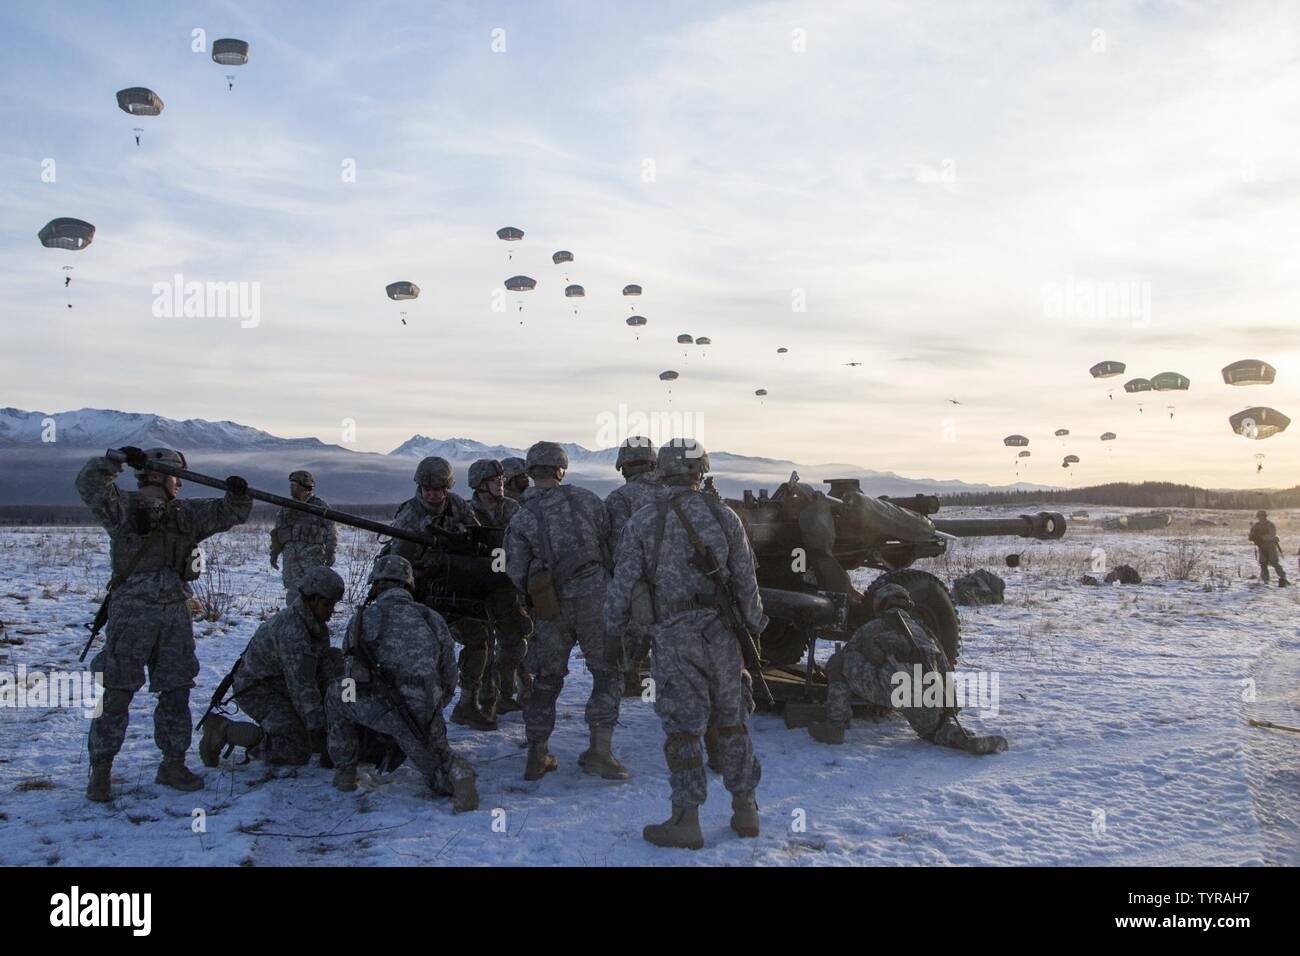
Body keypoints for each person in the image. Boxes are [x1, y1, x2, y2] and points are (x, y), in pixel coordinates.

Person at [605, 438, 764, 849]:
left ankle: (686, 819)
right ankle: (745, 809)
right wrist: (754, 626)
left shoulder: (643, 520)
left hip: (674, 636)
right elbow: (746, 580)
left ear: (663, 470)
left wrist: (613, 627)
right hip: (722, 634)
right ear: (701, 471)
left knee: (684, 729)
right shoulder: (726, 516)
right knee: (732, 721)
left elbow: (623, 582)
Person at [76, 446, 252, 801]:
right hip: (132, 611)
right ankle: (101, 770)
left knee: (176, 689)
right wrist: (114, 460)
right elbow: (88, 482)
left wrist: (237, 491)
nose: (180, 485)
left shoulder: (186, 514)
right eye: (177, 478)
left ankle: (172, 763)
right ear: (158, 475)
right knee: (117, 691)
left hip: (174, 610)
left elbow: (230, 512)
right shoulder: (121, 506)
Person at [504, 441, 625, 781]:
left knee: (546, 680)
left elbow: (515, 569)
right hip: (596, 598)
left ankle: (537, 753)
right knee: (607, 673)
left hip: (550, 604)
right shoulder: (588, 500)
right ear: (561, 469)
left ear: (530, 472)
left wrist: (536, 590)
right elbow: (612, 545)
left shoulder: (522, 515)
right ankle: (601, 752)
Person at [325, 555, 478, 811]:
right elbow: (450, 676)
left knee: (336, 693)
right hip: (427, 708)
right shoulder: (432, 618)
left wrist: (381, 716)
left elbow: (354, 677)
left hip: (387, 711)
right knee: (437, 761)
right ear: (409, 586)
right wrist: (432, 707)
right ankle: (458, 773)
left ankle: (345, 772)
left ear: (376, 586)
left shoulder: (363, 619)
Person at [807, 584, 1008, 754]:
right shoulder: (924, 631)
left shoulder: (872, 628)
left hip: (892, 690)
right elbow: (945, 666)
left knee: (840, 661)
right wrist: (949, 707)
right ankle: (962, 740)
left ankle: (836, 725)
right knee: (934, 729)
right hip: (928, 692)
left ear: (880, 605)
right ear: (908, 604)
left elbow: (846, 658)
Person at [382, 456, 494, 729]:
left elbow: (477, 540)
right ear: (419, 488)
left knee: (479, 640)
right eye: (427, 489)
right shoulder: (408, 516)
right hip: (422, 593)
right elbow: (398, 564)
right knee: (423, 654)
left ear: (447, 487)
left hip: (456, 586)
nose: (432, 494)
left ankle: (468, 703)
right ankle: (419, 713)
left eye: (438, 489)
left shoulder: (458, 505)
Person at [199, 566, 346, 767]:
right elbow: (303, 688)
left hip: (281, 682)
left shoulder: (313, 623)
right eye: (328, 604)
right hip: (258, 690)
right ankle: (225, 731)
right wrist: (321, 730)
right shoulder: (294, 633)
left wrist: (344, 712)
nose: (331, 611)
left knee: (335, 658)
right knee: (296, 748)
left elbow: (318, 670)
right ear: (312, 599)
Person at [465, 458, 532, 719]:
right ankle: (483, 701)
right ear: (480, 485)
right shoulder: (466, 511)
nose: (501, 485)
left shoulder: (513, 508)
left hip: (508, 586)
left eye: (502, 480)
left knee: (515, 641)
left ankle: (507, 694)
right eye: (495, 481)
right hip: (479, 587)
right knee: (484, 647)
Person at [603, 436, 668, 697]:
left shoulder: (620, 498)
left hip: (637, 578)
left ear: (624, 466)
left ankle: (632, 675)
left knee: (634, 629)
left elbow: (619, 543)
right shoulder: (671, 491)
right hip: (677, 578)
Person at [269, 470, 337, 596]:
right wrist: (274, 553)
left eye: (294, 485)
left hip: (312, 559)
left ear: (304, 487)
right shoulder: (286, 507)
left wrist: (330, 552)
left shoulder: (320, 506)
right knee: (293, 595)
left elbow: (331, 531)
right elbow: (278, 532)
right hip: (291, 561)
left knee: (314, 593)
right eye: (291, 485)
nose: (291, 488)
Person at [1249, 510, 1289, 586]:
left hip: (1270, 546)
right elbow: (1251, 534)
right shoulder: (1256, 526)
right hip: (1261, 546)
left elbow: (1272, 534)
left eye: (1262, 516)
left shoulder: (1270, 525)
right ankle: (1265, 580)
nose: (1261, 518)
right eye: (1259, 516)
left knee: (1274, 562)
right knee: (1263, 563)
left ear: (1265, 516)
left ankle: (1283, 577)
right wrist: (1253, 537)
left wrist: (1261, 538)